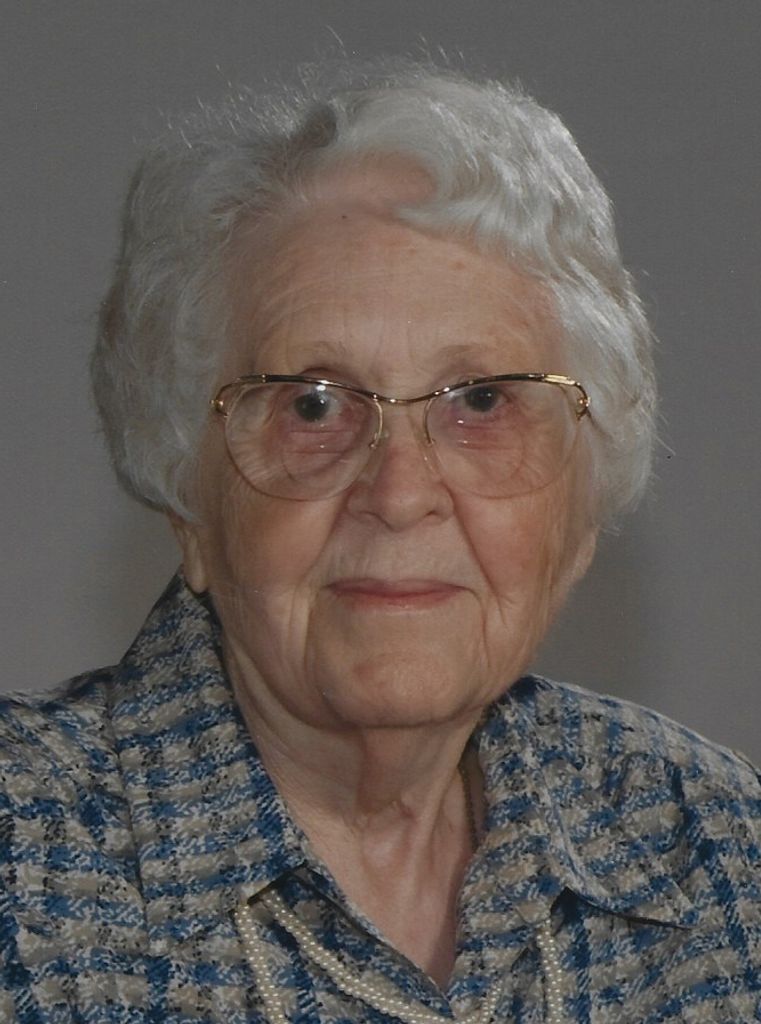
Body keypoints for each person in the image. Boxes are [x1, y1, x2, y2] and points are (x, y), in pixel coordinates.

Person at [1, 58, 759, 1024]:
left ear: (582, 504)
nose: (399, 496)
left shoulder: (719, 848)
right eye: (312, 405)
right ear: (186, 499)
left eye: (481, 402)